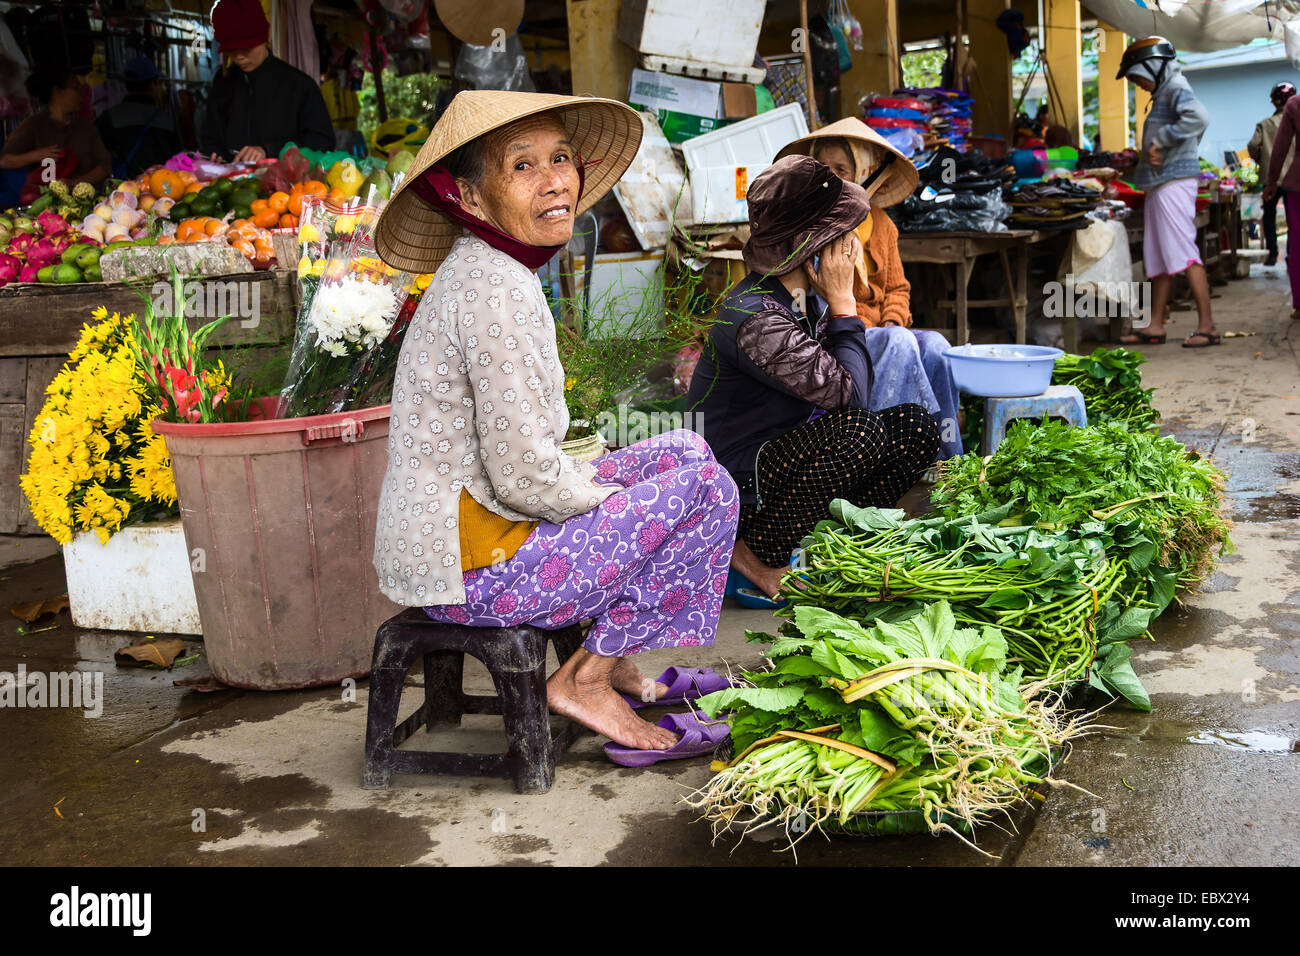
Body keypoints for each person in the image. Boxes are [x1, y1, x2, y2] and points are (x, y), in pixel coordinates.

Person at [371, 91, 739, 753]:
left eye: (561, 158)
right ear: (471, 198)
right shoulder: (493, 286)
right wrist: (617, 504)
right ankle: (586, 680)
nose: (555, 181)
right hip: (473, 570)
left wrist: (621, 501)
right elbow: (522, 476)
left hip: (484, 535)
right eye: (522, 166)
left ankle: (612, 657)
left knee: (683, 452)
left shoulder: (496, 269)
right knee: (708, 492)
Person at [685, 155, 940, 600]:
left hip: (782, 462)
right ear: (814, 245)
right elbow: (853, 399)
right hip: (741, 489)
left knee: (914, 427)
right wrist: (844, 302)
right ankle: (764, 554)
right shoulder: (756, 318)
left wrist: (836, 301)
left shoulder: (800, 295)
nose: (851, 244)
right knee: (860, 430)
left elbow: (856, 384)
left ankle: (839, 546)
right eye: (842, 234)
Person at [777, 119, 962, 458]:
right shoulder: (808, 224)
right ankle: (890, 459)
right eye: (824, 168)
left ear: (863, 173)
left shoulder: (881, 224)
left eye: (842, 169)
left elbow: (897, 289)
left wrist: (892, 322)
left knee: (936, 345)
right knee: (900, 341)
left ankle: (948, 459)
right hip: (836, 335)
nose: (832, 177)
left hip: (881, 332)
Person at [1115, 36, 1220, 349]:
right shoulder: (1166, 91)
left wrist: (1161, 141)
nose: (1139, 84)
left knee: (1184, 254)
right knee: (1160, 258)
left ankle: (1208, 326)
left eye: (1137, 77)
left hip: (1174, 182)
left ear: (1153, 66)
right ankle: (1155, 325)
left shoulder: (1175, 86)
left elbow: (1199, 118)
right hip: (1163, 182)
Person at [198, 0, 333, 162]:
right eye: (232, 51)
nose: (240, 57)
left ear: (264, 38)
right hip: (231, 184)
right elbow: (209, 139)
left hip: (287, 185)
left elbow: (323, 141)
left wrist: (269, 150)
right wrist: (215, 154)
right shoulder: (222, 87)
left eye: (247, 49)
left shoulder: (299, 86)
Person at [0, 67, 110, 201]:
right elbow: (4, 161)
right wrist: (35, 155)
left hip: (89, 203)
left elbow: (104, 167)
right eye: (75, 87)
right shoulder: (34, 125)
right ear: (57, 92)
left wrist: (73, 183)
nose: (80, 93)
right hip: (46, 206)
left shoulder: (85, 126)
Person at [95, 56, 182, 178]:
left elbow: (98, 156)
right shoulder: (165, 119)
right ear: (153, 85)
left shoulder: (109, 117)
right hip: (163, 187)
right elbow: (178, 157)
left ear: (126, 85)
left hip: (122, 189)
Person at [1249, 82, 1296, 267]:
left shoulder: (1265, 124)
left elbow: (1253, 147)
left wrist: (1262, 159)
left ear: (1275, 102)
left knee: (1268, 217)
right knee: (1295, 218)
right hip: (1295, 180)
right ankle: (1292, 253)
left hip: (1271, 180)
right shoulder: (1297, 120)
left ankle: (1272, 254)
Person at [1264, 84, 1300, 320]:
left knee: (1297, 243)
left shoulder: (1295, 105)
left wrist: (1272, 181)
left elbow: (1281, 147)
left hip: (1298, 182)